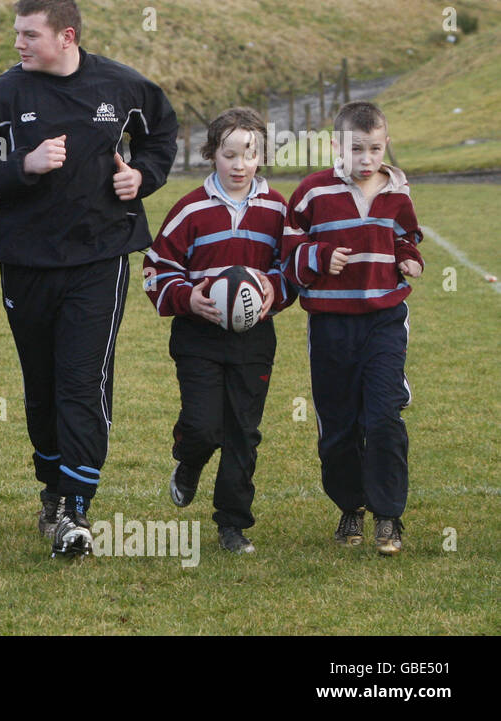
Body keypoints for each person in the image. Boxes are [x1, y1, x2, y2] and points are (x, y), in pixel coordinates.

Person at [0, 0, 177, 558]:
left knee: (82, 379)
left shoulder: (121, 86)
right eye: (17, 33)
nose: (18, 42)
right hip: (27, 263)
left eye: (30, 33)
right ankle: (52, 486)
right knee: (42, 385)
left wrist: (143, 176)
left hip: (100, 259)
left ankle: (76, 506)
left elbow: (161, 130)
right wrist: (23, 165)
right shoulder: (0, 96)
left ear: (66, 37)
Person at [142, 107, 292, 554]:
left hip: (253, 338)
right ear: (212, 154)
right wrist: (188, 298)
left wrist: (273, 290)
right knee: (204, 427)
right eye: (229, 154)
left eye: (250, 154)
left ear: (262, 155)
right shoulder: (189, 209)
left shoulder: (277, 209)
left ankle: (232, 524)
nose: (240, 164)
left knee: (243, 432)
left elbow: (292, 269)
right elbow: (156, 271)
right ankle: (189, 462)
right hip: (198, 337)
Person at [283, 101, 422, 556]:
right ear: (335, 146)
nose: (367, 159)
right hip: (330, 325)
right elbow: (289, 252)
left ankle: (388, 515)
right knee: (339, 426)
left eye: (376, 149)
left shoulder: (398, 189)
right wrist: (320, 257)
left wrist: (409, 258)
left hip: (383, 320)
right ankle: (350, 506)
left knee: (383, 417)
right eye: (357, 149)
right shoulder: (311, 193)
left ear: (386, 144)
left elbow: (406, 234)